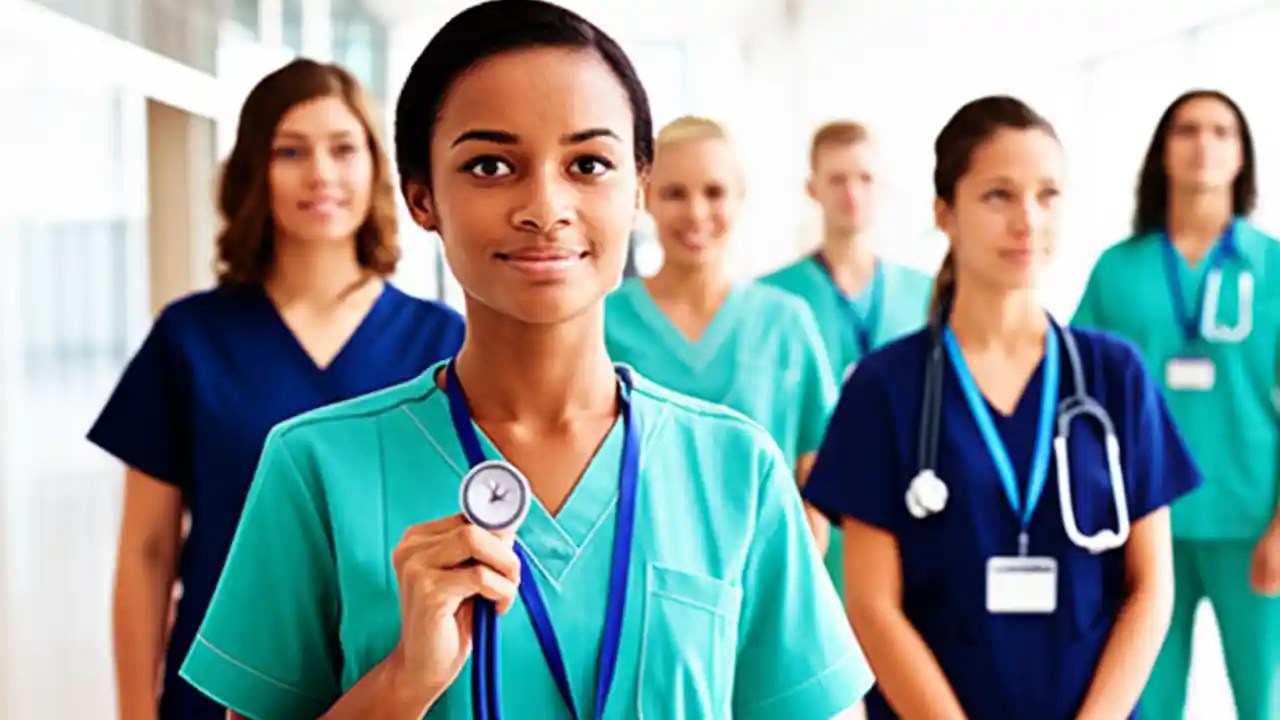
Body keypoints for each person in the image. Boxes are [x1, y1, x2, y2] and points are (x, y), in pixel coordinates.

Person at [177, 2, 873, 718]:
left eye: (588, 164)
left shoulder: (737, 469)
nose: (545, 206)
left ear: (637, 190)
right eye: (490, 165)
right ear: (422, 197)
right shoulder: (315, 468)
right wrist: (403, 682)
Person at [87, 59, 465, 720]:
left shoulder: (443, 344)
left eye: (343, 149)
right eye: (291, 151)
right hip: (218, 686)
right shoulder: (190, 338)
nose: (320, 173)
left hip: (402, 687)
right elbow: (147, 553)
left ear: (377, 168)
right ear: (254, 172)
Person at [803, 95, 1203, 719]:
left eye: (1048, 195)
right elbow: (872, 605)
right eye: (998, 195)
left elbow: (1150, 588)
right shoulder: (887, 387)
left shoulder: (1113, 376)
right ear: (945, 212)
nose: (1028, 221)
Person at [1072, 89, 1280, 720]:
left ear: (1243, 155)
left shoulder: (1272, 268)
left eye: (1221, 131)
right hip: (1143, 523)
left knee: (1262, 701)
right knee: (1148, 701)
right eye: (1187, 129)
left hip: (1251, 523)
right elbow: (1080, 400)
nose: (1203, 144)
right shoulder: (1119, 269)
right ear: (1162, 151)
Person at [603, 116, 838, 545]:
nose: (696, 213)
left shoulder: (785, 322)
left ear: (741, 197)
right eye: (674, 194)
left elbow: (816, 468)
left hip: (761, 571)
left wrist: (800, 580)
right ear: (644, 199)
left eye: (714, 192)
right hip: (636, 570)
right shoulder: (604, 320)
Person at [760, 120, 933, 596]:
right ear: (812, 188)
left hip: (912, 505)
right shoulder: (772, 300)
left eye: (865, 178)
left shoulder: (928, 294)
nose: (852, 193)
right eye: (837, 179)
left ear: (884, 188)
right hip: (816, 514)